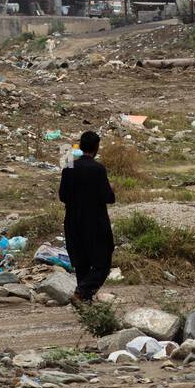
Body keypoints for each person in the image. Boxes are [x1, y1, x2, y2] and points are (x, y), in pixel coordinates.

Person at [59, 129, 116, 303]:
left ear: (81, 146)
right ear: (96, 148)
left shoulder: (68, 168)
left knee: (82, 262)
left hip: (73, 222)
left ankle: (84, 301)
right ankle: (82, 292)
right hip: (95, 223)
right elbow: (108, 197)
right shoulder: (98, 169)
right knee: (103, 262)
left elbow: (63, 196)